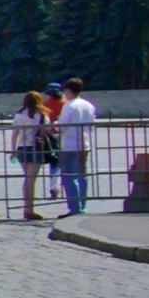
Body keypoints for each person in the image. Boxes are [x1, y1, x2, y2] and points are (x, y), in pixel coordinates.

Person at [55, 77, 97, 217]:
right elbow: (91, 126)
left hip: (69, 145)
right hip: (84, 143)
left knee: (69, 176)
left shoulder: (69, 105)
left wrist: (54, 125)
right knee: (82, 175)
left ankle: (75, 207)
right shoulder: (89, 105)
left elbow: (62, 126)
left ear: (68, 90)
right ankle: (82, 205)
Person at [11, 91, 52, 222]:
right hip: (35, 148)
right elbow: (47, 130)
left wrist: (13, 151)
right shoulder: (42, 116)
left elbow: (14, 135)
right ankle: (29, 209)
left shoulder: (18, 116)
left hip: (22, 148)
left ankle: (27, 208)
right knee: (31, 180)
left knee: (27, 178)